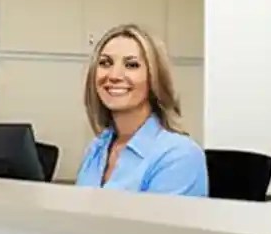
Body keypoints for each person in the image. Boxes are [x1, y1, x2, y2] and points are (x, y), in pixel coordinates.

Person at [74, 23, 208, 196]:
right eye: (105, 63)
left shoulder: (179, 156)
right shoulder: (97, 147)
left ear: (154, 77)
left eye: (131, 65)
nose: (114, 76)